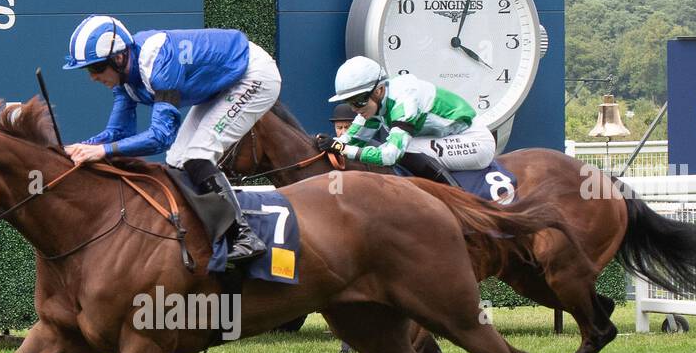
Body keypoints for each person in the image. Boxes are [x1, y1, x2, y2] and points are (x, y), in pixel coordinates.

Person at [63, 15, 280, 262]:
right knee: (177, 160)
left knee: (198, 154)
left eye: (96, 67)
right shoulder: (123, 80)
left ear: (119, 57)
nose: (92, 76)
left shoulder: (157, 61)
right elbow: (118, 134)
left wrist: (102, 151)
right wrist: (74, 149)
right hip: (222, 84)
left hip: (252, 74)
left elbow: (161, 136)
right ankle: (208, 234)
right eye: (87, 70)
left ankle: (243, 236)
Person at [316, 56, 496, 185]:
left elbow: (389, 155)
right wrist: (327, 144)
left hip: (475, 141)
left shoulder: (404, 101)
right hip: (445, 137)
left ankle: (457, 202)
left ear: (378, 91)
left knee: (407, 149)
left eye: (358, 101)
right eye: (349, 102)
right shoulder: (376, 104)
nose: (354, 108)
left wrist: (342, 148)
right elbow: (347, 141)